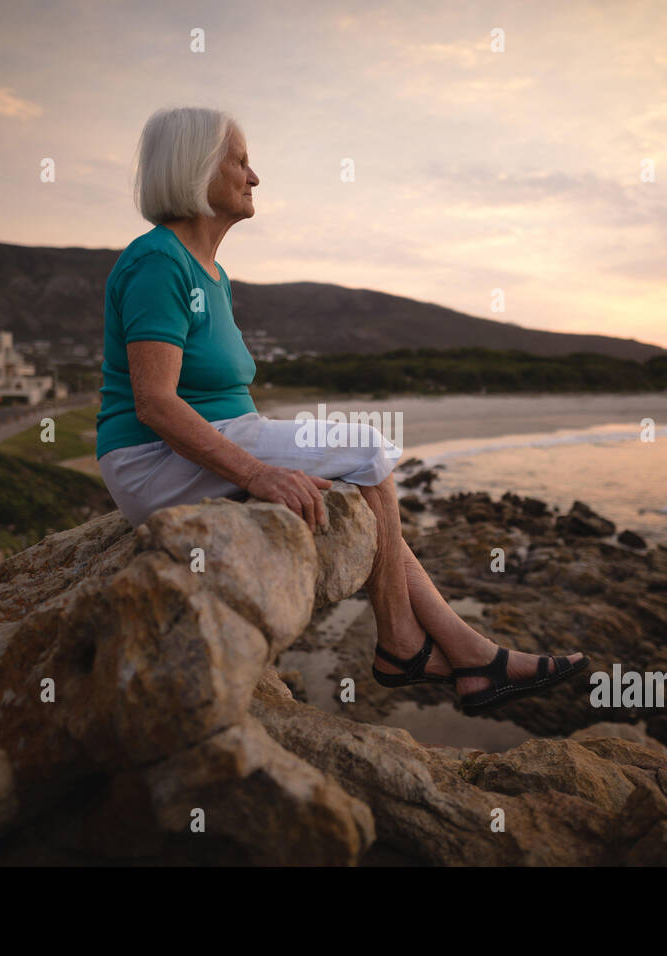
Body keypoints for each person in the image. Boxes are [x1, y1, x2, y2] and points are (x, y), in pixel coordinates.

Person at [96, 106, 588, 716]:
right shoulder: (157, 262)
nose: (255, 178)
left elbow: (224, 400)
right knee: (366, 449)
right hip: (150, 462)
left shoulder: (214, 275)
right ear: (197, 168)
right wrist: (258, 473)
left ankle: (472, 655)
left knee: (363, 488)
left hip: (212, 440)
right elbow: (155, 402)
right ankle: (402, 645)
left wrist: (275, 459)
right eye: (241, 161)